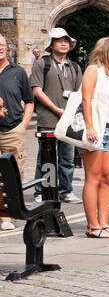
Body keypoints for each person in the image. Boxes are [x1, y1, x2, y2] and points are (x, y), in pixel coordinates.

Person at [79, 37, 109, 237]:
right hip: (96, 129)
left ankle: (104, 223)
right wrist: (90, 127)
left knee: (108, 178)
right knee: (93, 178)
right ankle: (92, 226)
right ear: (106, 50)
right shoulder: (93, 70)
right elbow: (86, 99)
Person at [29, 27, 82, 204]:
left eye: (66, 41)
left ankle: (66, 191)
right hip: (48, 119)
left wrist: (73, 114)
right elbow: (37, 90)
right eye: (59, 40)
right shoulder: (42, 64)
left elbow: (79, 93)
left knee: (67, 158)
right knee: (45, 157)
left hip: (69, 121)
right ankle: (41, 190)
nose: (63, 43)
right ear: (51, 44)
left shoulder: (74, 66)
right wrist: (57, 109)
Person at [0, 34, 35, 230]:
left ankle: (7, 217)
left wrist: (23, 125)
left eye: (1, 45)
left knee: (12, 174)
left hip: (13, 129)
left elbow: (29, 101)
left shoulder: (18, 72)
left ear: (6, 48)